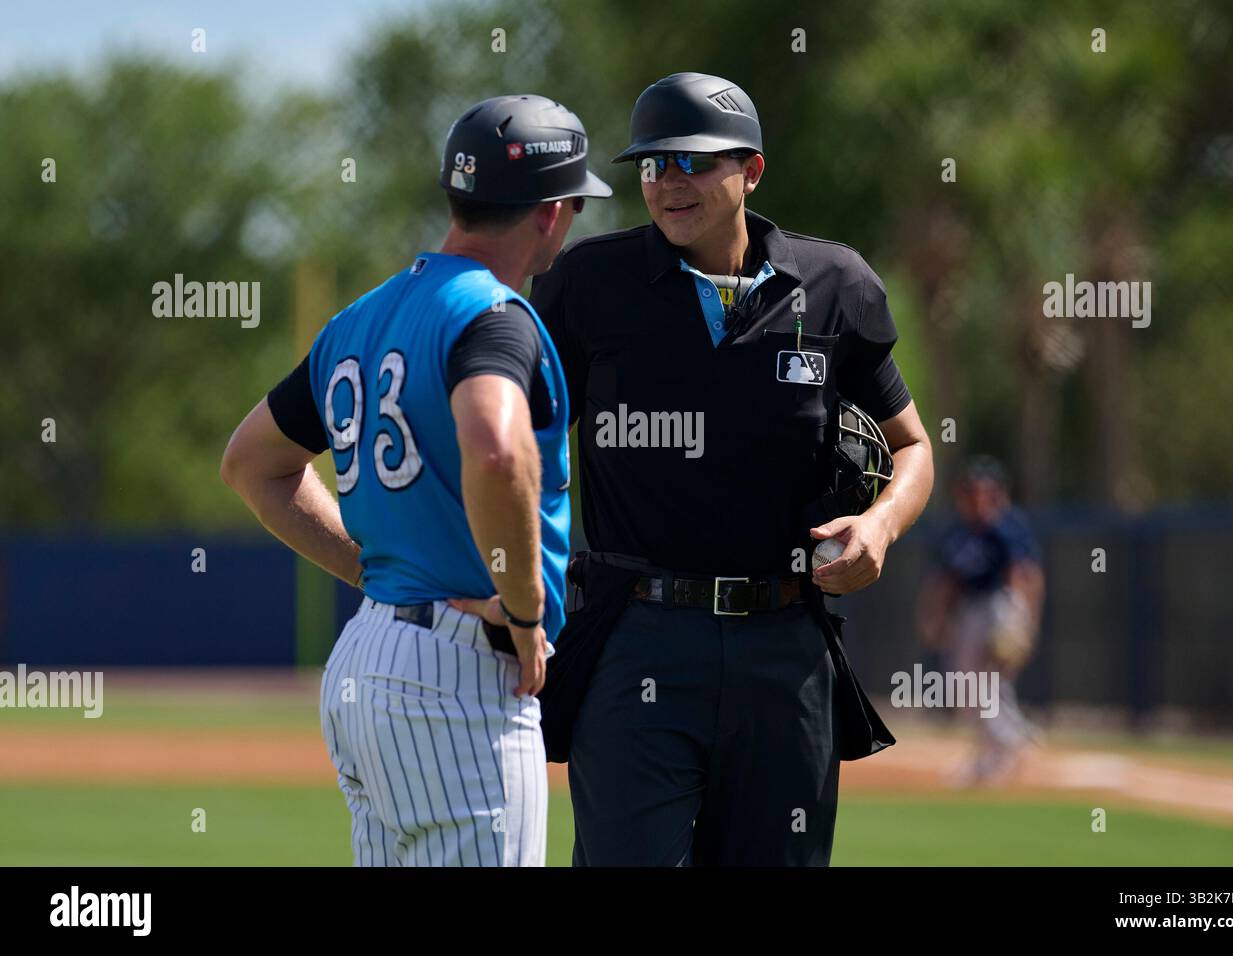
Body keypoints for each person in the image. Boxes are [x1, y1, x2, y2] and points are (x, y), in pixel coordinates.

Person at [530, 72, 934, 866]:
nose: (669, 183)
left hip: (785, 648)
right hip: (635, 637)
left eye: (693, 163)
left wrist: (880, 526)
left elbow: (914, 447)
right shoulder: (587, 284)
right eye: (653, 165)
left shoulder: (836, 286)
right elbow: (520, 439)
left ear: (750, 170)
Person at [220, 94, 610, 865]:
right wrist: (526, 611)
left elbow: (251, 464)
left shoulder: (360, 318)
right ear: (554, 211)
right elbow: (495, 448)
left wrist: (376, 571)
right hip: (461, 675)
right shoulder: (494, 315)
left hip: (368, 656)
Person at [916, 456, 1046, 785]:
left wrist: (1022, 617)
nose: (976, 498)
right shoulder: (958, 533)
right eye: (970, 491)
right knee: (966, 687)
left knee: (987, 683)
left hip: (999, 604)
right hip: (971, 611)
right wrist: (936, 617)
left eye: (983, 491)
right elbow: (946, 581)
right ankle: (1006, 738)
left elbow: (1025, 574)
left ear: (997, 494)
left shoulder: (1006, 528)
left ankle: (1000, 749)